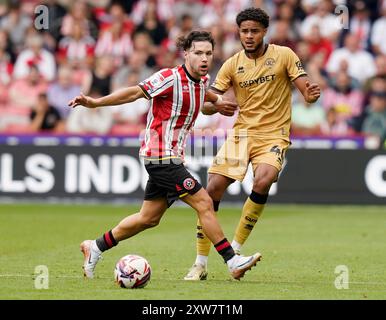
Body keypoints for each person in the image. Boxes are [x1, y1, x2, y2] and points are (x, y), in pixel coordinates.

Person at [68, 31, 261, 281]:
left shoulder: (202, 82)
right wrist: (96, 102)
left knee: (148, 218)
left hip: (172, 157)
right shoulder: (169, 78)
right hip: (160, 155)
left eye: (208, 53)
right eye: (198, 53)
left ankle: (94, 246)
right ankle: (232, 260)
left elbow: (203, 98)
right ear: (186, 54)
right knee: (204, 202)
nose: (204, 58)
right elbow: (133, 93)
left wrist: (219, 103)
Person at [184, 8, 321, 281]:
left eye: (254, 31)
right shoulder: (232, 64)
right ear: (238, 32)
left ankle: (234, 251)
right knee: (211, 189)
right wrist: (217, 107)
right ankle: (199, 263)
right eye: (244, 31)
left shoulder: (284, 55)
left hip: (273, 134)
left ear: (264, 32)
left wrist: (310, 94)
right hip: (242, 134)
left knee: (264, 179)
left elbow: (305, 87)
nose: (249, 35)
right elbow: (209, 104)